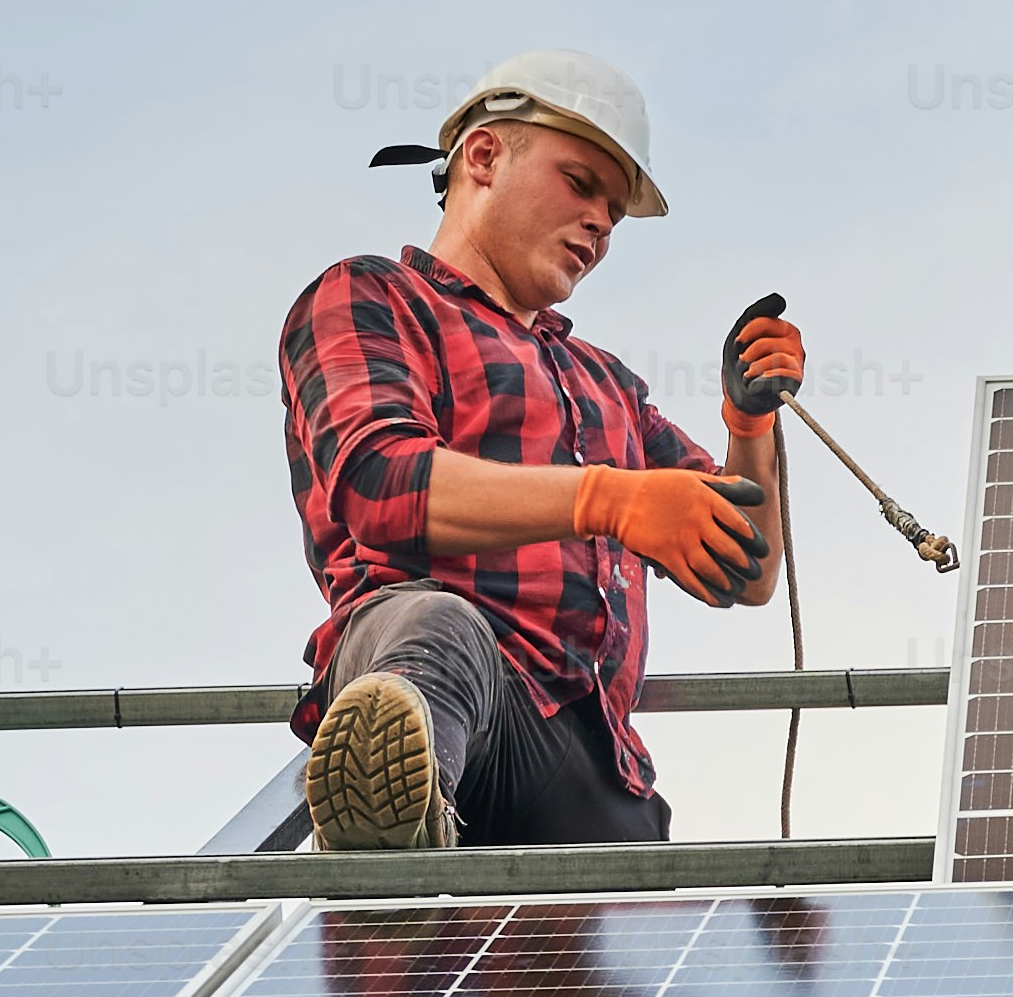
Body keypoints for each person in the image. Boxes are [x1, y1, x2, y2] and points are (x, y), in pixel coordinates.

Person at [281, 48, 804, 850]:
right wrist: (608, 498)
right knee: (439, 630)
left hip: (587, 749)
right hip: (447, 685)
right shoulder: (373, 296)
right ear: (484, 157)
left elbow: (749, 571)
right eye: (580, 183)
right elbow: (380, 480)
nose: (601, 221)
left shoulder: (609, 386)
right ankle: (395, 844)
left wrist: (749, 428)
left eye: (615, 211)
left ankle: (413, 855)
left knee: (653, 892)